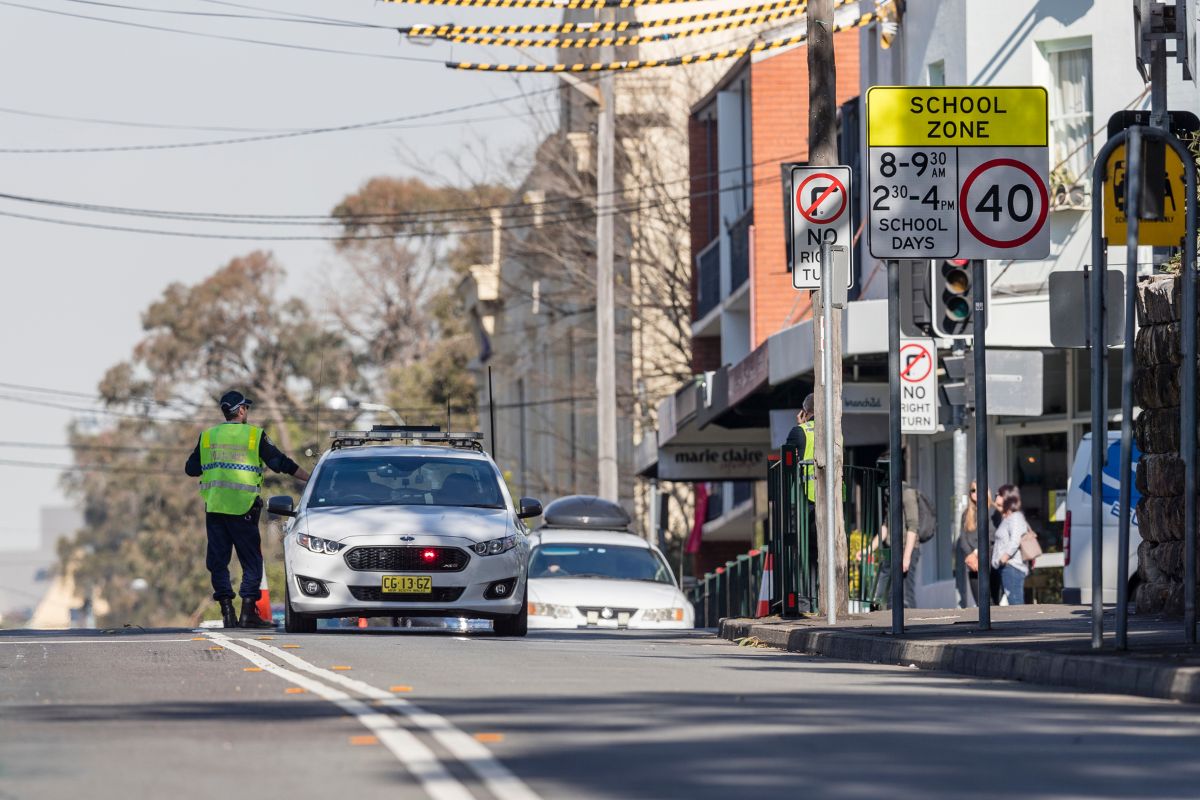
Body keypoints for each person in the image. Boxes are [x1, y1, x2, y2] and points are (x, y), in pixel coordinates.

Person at [184, 390, 310, 629]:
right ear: (241, 410)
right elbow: (280, 463)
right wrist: (310, 478)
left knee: (218, 562)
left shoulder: (208, 437)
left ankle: (227, 613)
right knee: (251, 562)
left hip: (216, 508)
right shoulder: (254, 436)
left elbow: (191, 469)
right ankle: (247, 614)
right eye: (246, 408)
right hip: (244, 508)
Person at [784, 394, 819, 610]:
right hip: (832, 503)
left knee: (803, 555)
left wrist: (801, 425)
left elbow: (788, 461)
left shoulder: (800, 432)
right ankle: (823, 601)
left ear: (805, 411)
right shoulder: (836, 432)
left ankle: (805, 603)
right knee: (821, 553)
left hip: (806, 501)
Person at [991, 484, 1029, 605]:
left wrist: (1004, 557)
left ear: (1006, 497)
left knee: (1016, 604)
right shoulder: (1007, 517)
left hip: (1012, 567)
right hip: (1006, 567)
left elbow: (1015, 540)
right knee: (1011, 603)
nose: (996, 497)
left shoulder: (1015, 517)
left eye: (998, 495)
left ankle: (1020, 624)